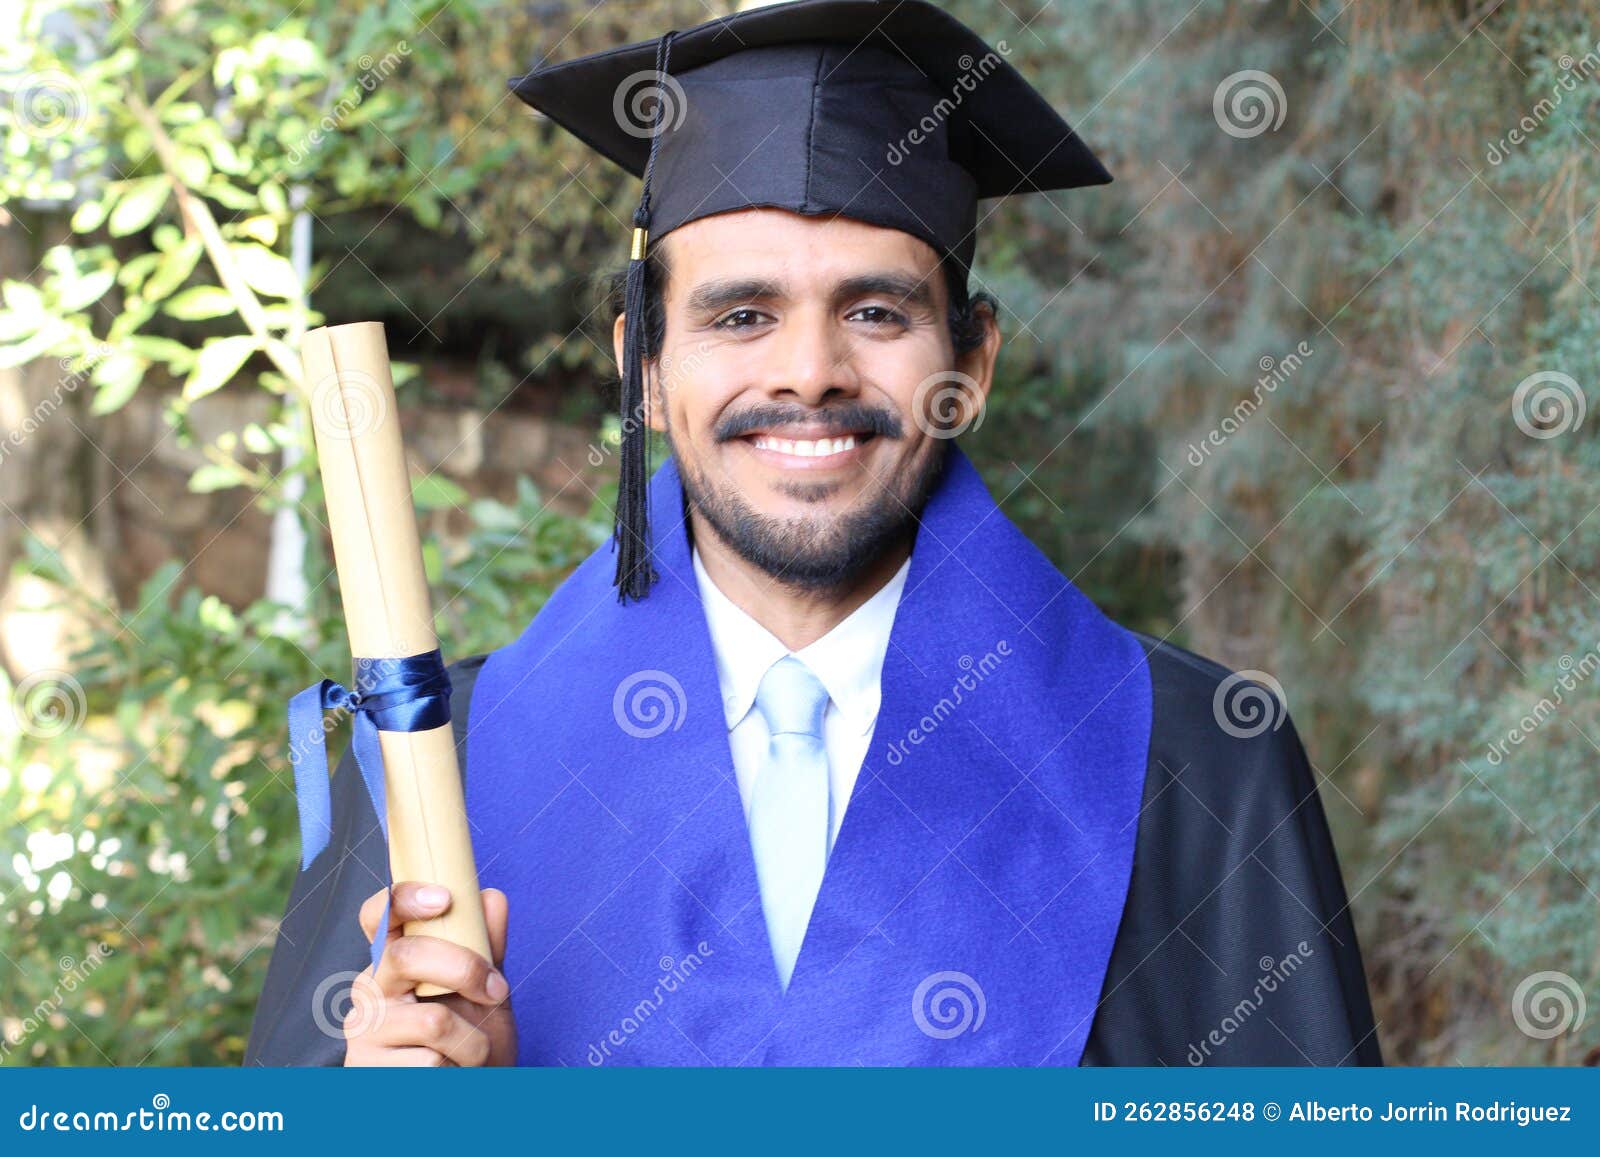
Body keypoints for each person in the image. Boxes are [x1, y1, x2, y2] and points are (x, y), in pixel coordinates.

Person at [246, 0, 1381, 1067]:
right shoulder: (432, 771)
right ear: (640, 362)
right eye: (741, 315)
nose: (807, 373)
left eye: (875, 312)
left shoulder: (1188, 765)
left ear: (969, 363)